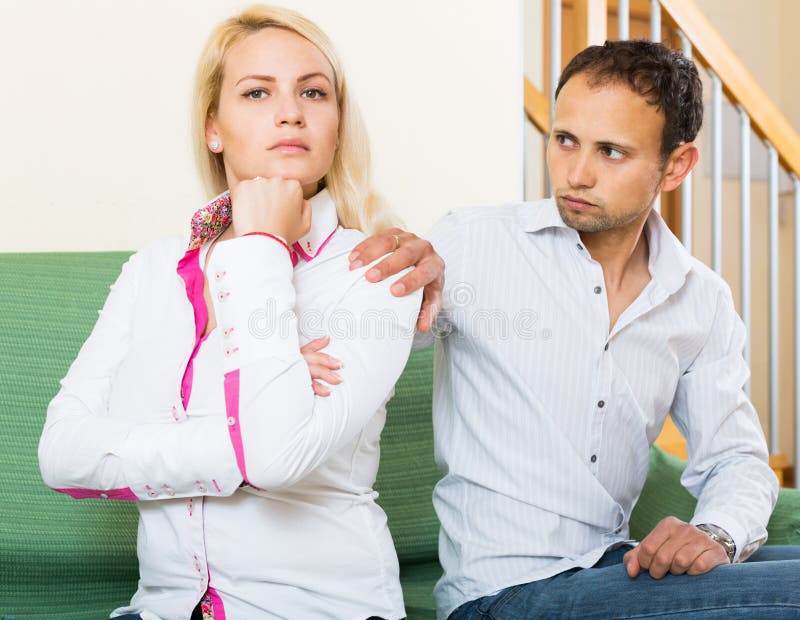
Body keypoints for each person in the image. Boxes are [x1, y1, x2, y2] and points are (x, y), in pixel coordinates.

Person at [347, 40, 800, 619]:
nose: (576, 174)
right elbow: (360, 351)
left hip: (615, 572)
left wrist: (716, 532)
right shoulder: (471, 244)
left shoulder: (701, 299)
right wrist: (387, 290)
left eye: (611, 151)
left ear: (676, 165)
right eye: (565, 141)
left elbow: (736, 458)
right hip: (500, 599)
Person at [37, 5, 437, 618]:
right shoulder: (152, 270)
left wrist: (261, 248)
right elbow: (62, 452)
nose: (291, 112)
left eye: (314, 92)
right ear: (213, 128)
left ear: (335, 124)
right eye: (256, 92)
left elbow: (276, 459)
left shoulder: (380, 270)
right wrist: (241, 423)